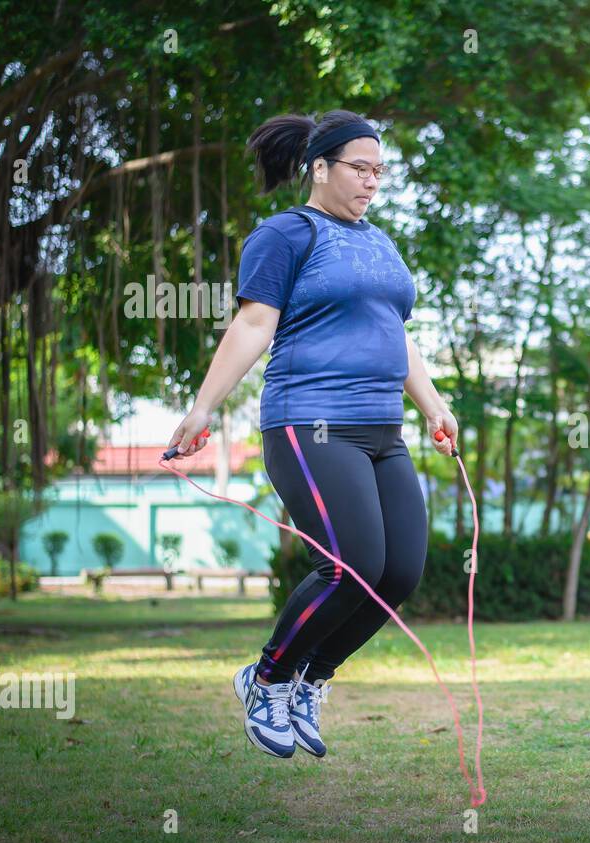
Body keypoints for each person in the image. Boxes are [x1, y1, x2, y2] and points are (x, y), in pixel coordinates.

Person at [168, 109, 458, 760]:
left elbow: (396, 333)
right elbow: (251, 325)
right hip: (310, 423)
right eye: (360, 167)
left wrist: (434, 405)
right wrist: (202, 407)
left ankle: (311, 677)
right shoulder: (286, 234)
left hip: (384, 430)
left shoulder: (381, 243)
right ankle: (267, 675)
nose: (372, 181)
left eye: (380, 170)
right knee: (350, 563)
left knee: (399, 572)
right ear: (319, 167)